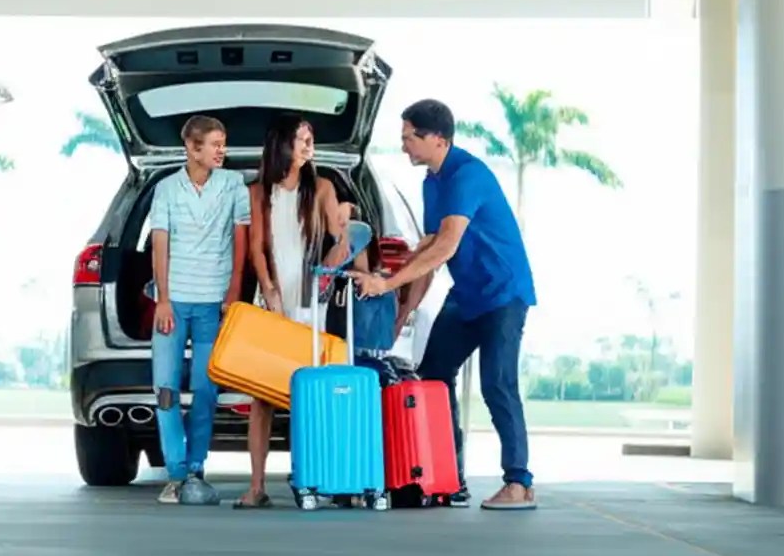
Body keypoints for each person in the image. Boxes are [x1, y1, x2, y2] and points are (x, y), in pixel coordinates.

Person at [351, 99, 538, 510]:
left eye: (409, 138)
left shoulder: (466, 175)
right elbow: (429, 253)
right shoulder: (431, 183)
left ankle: (519, 483)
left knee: (497, 383)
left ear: (437, 138)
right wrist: (404, 310)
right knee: (432, 375)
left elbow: (448, 243)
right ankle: (447, 476)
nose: (403, 147)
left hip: (503, 293)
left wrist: (385, 284)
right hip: (468, 295)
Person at [234, 114, 348, 510]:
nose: (307, 144)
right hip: (273, 305)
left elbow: (342, 238)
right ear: (281, 143)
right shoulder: (258, 192)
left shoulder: (322, 188)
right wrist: (269, 293)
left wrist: (329, 268)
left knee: (310, 395)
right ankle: (257, 485)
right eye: (300, 137)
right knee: (261, 397)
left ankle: (313, 479)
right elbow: (256, 250)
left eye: (310, 137)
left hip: (311, 308)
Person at [148, 115, 251, 505]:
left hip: (213, 302)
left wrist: (234, 292)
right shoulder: (166, 189)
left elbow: (241, 241)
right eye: (214, 144)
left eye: (223, 143)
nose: (221, 150)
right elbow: (161, 242)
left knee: (206, 390)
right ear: (192, 148)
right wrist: (163, 298)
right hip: (173, 302)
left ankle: (195, 469)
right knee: (166, 390)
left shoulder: (234, 185)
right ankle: (175, 473)